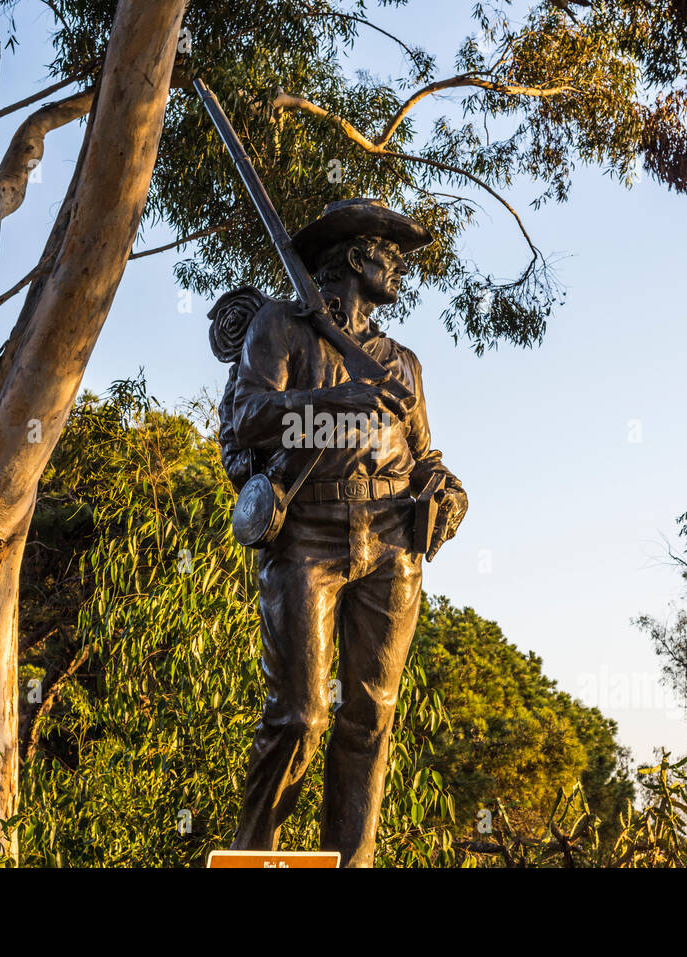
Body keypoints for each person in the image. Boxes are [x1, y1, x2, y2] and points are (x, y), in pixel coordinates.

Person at [225, 197, 467, 867]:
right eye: (391, 257)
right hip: (307, 534)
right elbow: (248, 416)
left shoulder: (404, 362)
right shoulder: (282, 326)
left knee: (370, 720)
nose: (400, 272)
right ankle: (251, 857)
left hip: (393, 542)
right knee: (301, 716)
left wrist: (446, 489)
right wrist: (339, 400)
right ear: (358, 259)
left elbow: (424, 455)